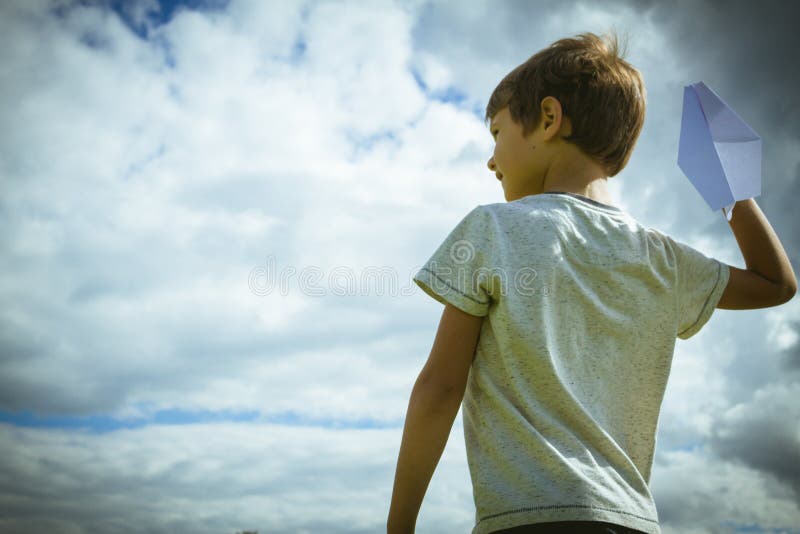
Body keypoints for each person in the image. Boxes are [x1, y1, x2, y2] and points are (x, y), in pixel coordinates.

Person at [387, 30, 797, 534]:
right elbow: (776, 284)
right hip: (633, 521)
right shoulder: (663, 259)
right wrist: (730, 188)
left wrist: (399, 526)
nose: (491, 160)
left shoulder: (493, 228)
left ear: (549, 119)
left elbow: (440, 386)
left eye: (496, 133)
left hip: (529, 521)